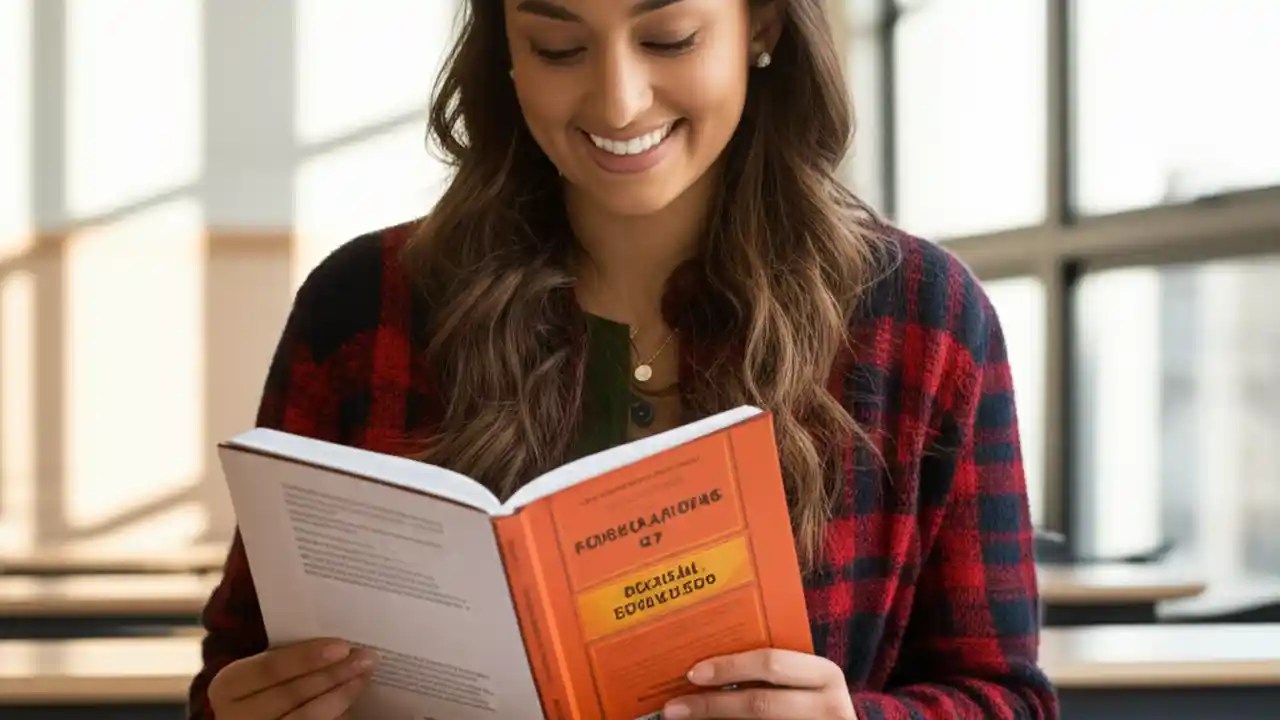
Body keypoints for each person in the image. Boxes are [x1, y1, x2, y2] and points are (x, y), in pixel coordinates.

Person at [189, 0, 1058, 718]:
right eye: (558, 46)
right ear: (506, 53)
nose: (617, 101)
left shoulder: (924, 317)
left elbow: (1010, 699)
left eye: (669, 39)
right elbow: (235, 665)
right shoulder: (363, 304)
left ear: (762, 27)